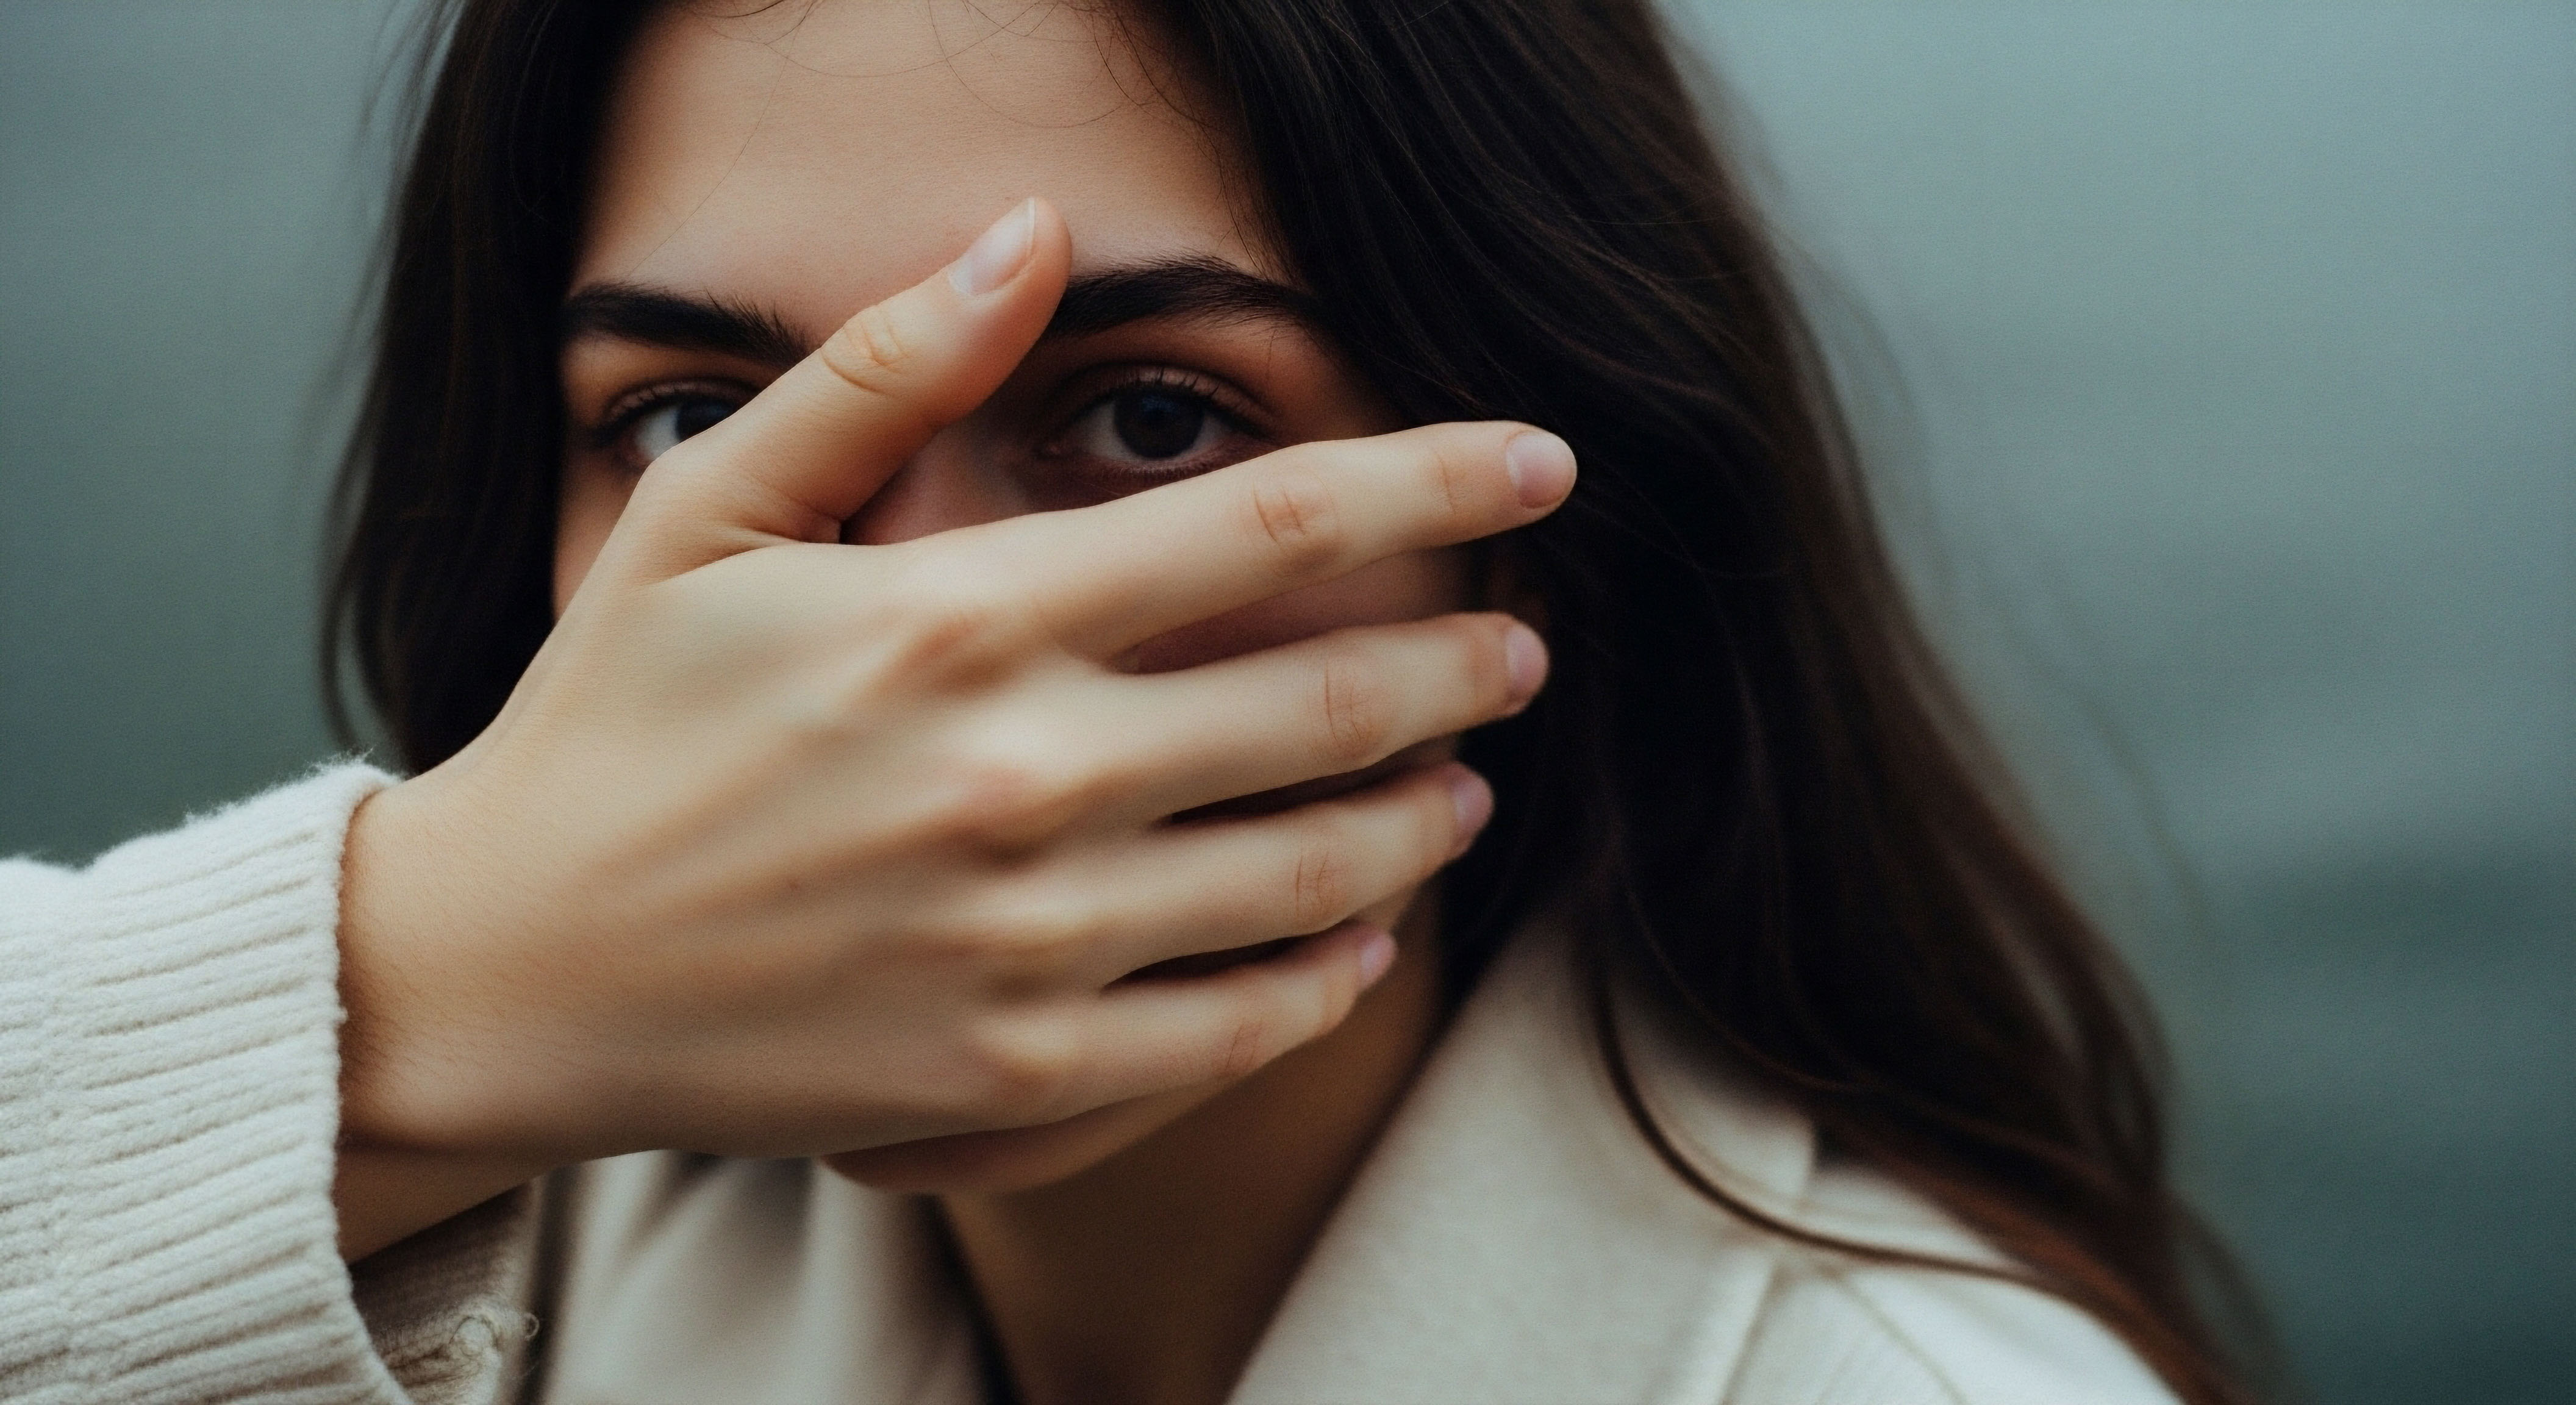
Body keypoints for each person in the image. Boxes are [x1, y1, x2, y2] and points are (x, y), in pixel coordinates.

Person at [0, 1, 2258, 1403]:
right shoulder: (500, 1251)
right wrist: (395, 1007)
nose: (905, 660)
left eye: (1154, 422)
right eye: (700, 431)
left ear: (1549, 514)